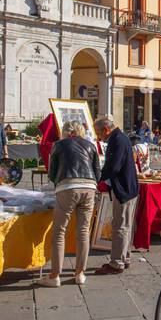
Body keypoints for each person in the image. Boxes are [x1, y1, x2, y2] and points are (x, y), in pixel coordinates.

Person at [38, 120, 100, 287]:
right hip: (89, 187)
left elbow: (51, 173)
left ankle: (55, 275)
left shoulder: (58, 145)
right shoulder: (90, 145)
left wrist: (59, 182)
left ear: (65, 131)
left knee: (59, 231)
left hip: (67, 186)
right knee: (83, 231)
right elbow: (97, 172)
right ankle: (80, 273)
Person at [93, 115, 140, 275]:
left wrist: (100, 178)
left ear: (106, 129)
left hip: (123, 188)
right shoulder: (121, 137)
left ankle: (116, 263)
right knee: (126, 225)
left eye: (99, 133)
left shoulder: (116, 139)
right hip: (129, 187)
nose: (99, 137)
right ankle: (124, 258)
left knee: (120, 226)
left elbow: (113, 166)